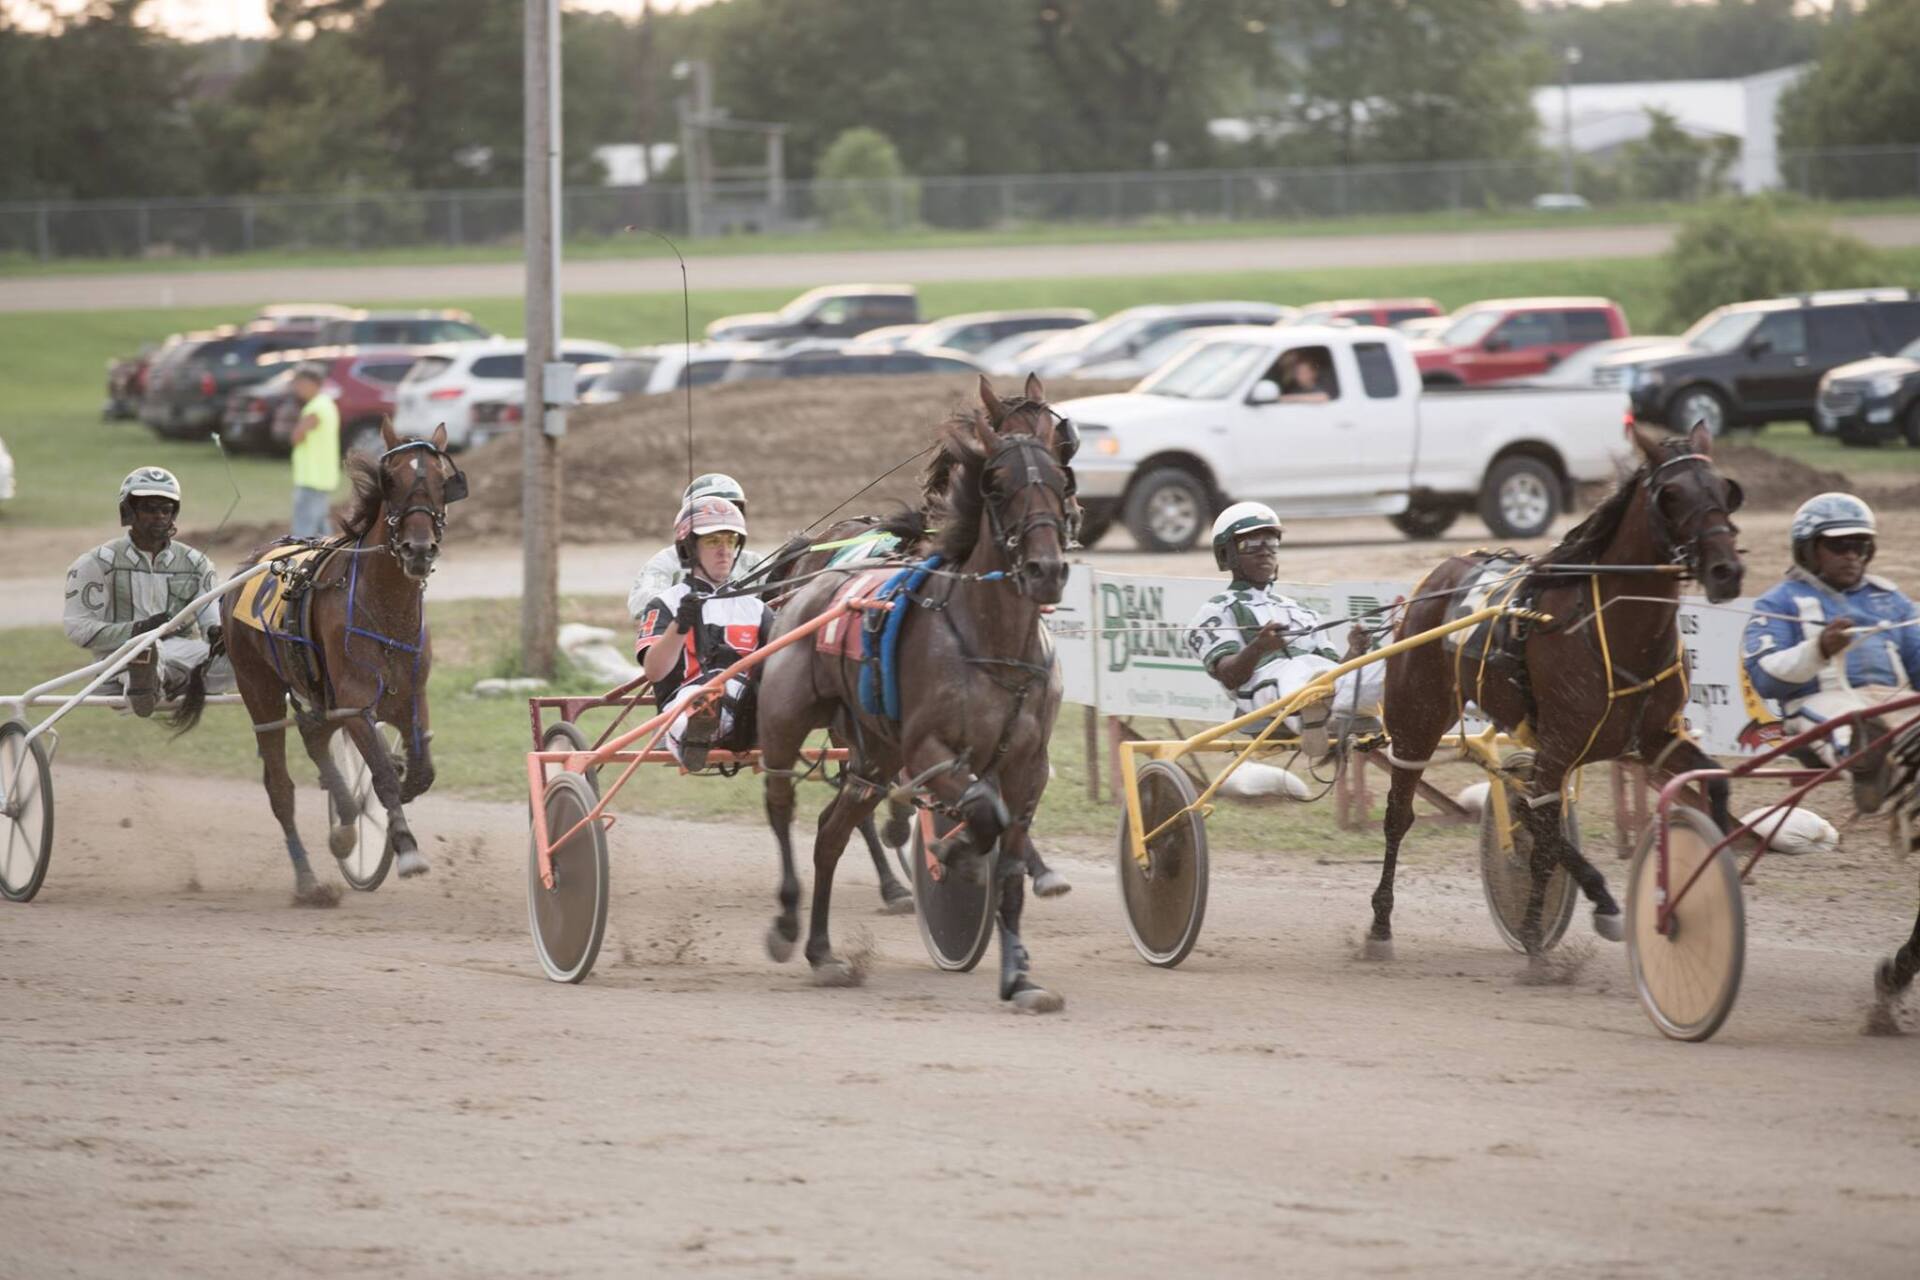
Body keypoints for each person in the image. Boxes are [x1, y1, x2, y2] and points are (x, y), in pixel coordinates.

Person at [1743, 492, 1920, 777]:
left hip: (1892, 699)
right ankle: (1869, 767)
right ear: (1809, 550)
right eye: (1839, 546)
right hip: (1820, 701)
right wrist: (1819, 650)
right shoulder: (1779, 601)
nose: (1851, 555)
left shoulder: (1890, 598)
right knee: (1850, 724)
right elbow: (1765, 680)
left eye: (1860, 546)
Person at [1185, 502, 1379, 760]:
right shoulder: (1215, 611)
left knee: (1378, 669)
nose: (1265, 552)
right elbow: (1229, 676)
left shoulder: (1303, 611)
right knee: (1298, 675)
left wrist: (1355, 650)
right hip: (1265, 690)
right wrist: (1258, 647)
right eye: (1251, 544)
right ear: (1227, 554)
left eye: (1271, 544)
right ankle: (1314, 717)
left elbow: (1336, 670)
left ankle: (1326, 710)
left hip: (1322, 682)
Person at [64, 467, 229, 718]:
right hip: (116, 658)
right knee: (147, 649)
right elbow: (78, 629)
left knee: (242, 656)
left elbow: (210, 621)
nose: (160, 516)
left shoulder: (197, 564)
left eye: (167, 510)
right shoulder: (96, 563)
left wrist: (218, 635)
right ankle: (147, 680)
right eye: (150, 508)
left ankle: (157, 682)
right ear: (128, 511)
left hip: (180, 654)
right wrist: (139, 630)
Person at [634, 498, 773, 769]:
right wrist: (680, 625)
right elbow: (654, 671)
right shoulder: (665, 604)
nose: (724, 551)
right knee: (699, 703)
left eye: (730, 540)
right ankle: (694, 736)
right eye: (713, 542)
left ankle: (751, 733)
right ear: (689, 550)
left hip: (747, 707)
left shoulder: (757, 610)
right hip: (684, 704)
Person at [628, 473, 768, 620]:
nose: (725, 518)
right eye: (711, 511)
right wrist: (686, 605)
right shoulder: (666, 561)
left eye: (733, 510)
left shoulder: (754, 562)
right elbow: (641, 603)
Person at [288, 362, 340, 539]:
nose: (297, 388)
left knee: (304, 530)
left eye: (300, 383)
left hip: (311, 477)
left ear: (312, 383)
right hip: (322, 476)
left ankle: (297, 564)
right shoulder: (327, 404)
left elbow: (296, 436)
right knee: (321, 530)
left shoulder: (316, 408)